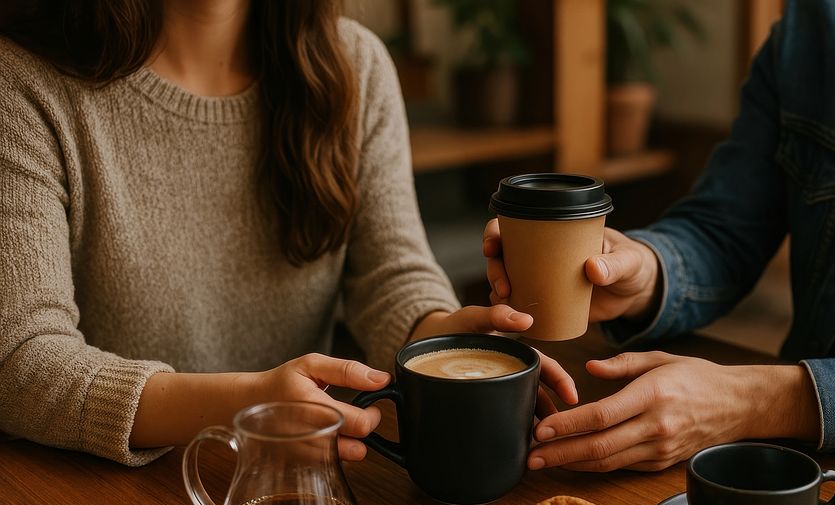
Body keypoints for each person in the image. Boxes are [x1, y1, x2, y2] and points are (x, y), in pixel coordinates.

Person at [0, 0, 576, 466]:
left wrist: (442, 337)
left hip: (301, 482)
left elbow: (390, 275)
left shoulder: (355, 65)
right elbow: (21, 362)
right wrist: (244, 405)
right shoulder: (23, 81)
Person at [485, 0, 835, 472]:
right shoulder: (816, 31)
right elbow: (724, 227)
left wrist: (763, 400)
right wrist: (649, 271)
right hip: (806, 462)